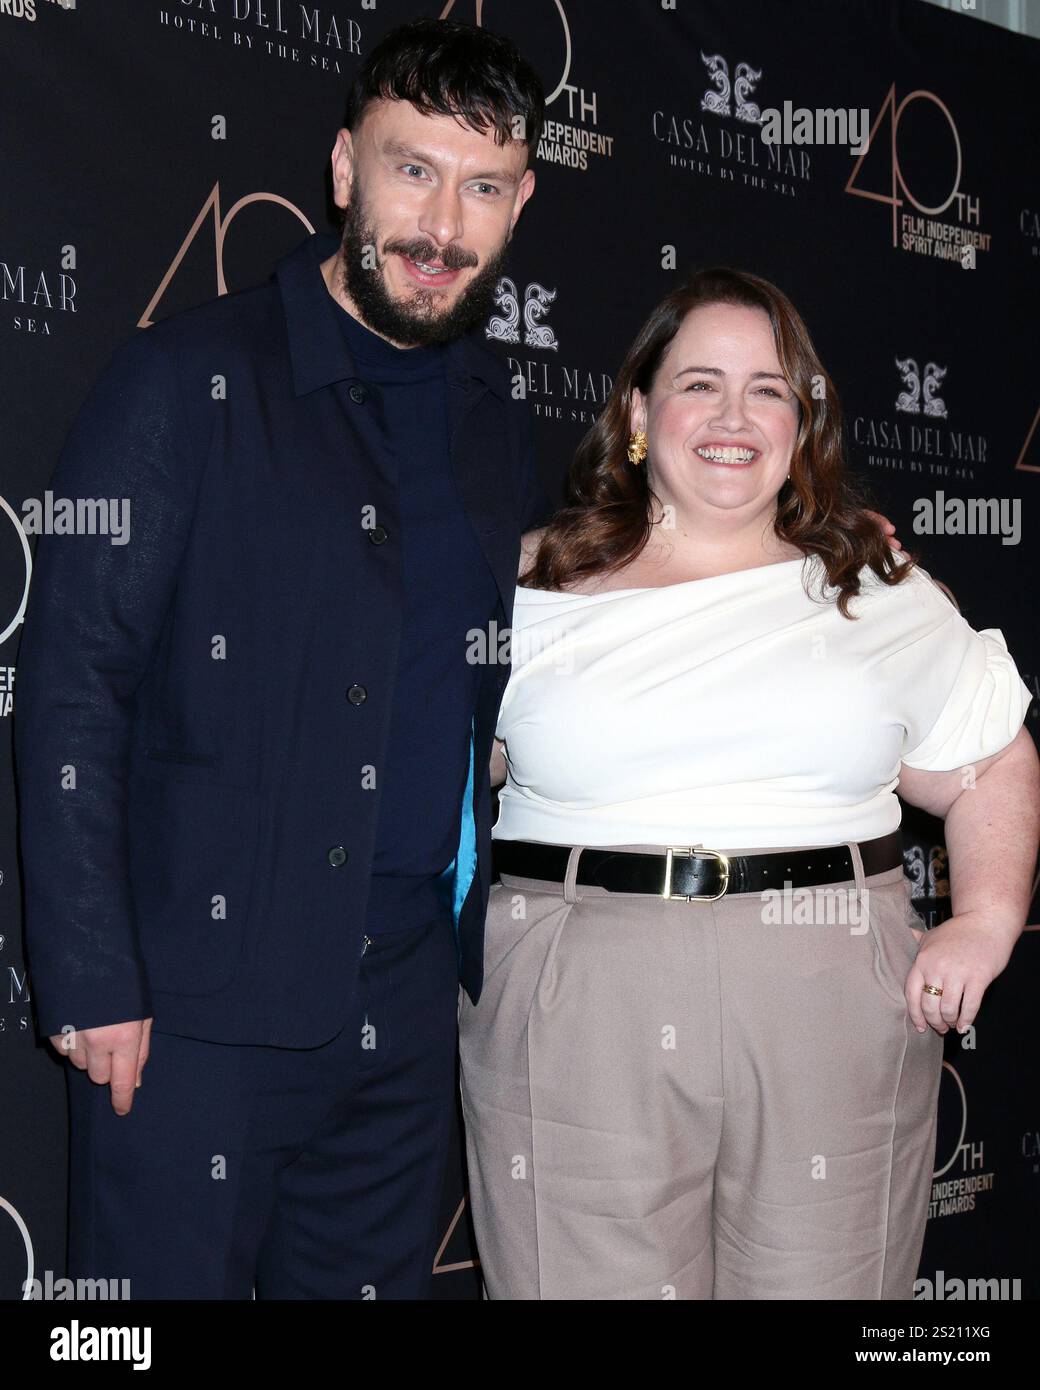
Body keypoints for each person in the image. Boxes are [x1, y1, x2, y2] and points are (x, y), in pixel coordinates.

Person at [14, 18, 553, 1299]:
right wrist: (90, 977)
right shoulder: (187, 378)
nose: (440, 222)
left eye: (481, 186)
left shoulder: (495, 424)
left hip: (405, 1006)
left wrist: (813, 528)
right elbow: (74, 683)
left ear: (520, 203)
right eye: (409, 169)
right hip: (190, 1007)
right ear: (340, 169)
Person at [458, 267, 1039, 1300]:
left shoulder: (876, 586)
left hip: (829, 994)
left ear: (801, 420)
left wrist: (985, 917)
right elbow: (433, 772)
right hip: (580, 997)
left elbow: (988, 755)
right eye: (699, 384)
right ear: (638, 411)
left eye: (768, 388)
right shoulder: (524, 588)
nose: (733, 416)